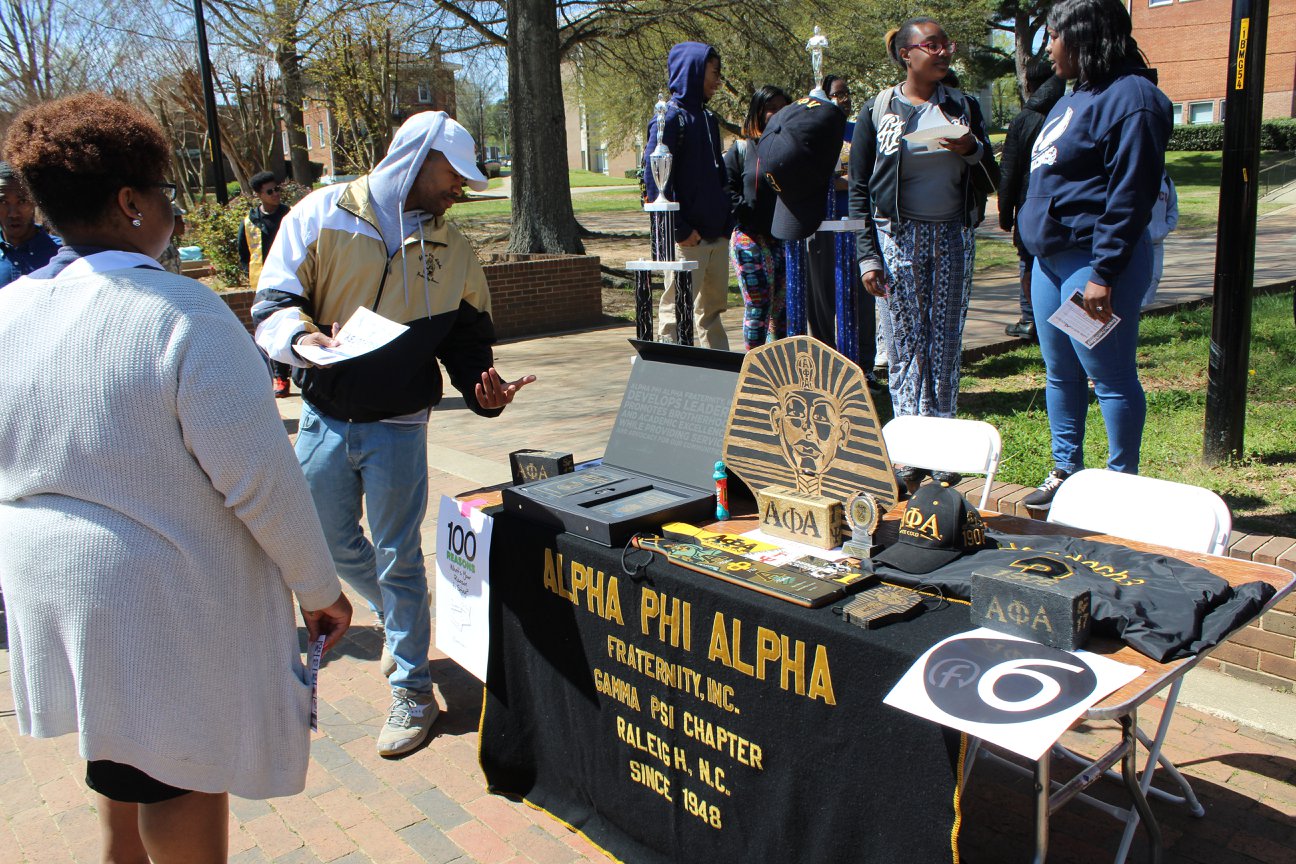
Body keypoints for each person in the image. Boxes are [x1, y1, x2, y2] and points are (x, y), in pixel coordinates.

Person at [0, 92, 352, 863]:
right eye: (166, 194)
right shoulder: (181, 313)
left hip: (52, 589)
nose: (174, 211)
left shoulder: (10, 311)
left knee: (119, 765)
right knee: (180, 783)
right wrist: (319, 589)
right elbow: (261, 481)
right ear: (131, 202)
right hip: (157, 603)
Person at [253, 110, 535, 757]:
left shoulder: (452, 248)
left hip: (400, 425)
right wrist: (303, 341)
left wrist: (484, 392)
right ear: (417, 158)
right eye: (454, 175)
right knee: (327, 539)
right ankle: (396, 611)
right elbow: (271, 307)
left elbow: (468, 344)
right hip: (324, 416)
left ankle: (412, 689)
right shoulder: (320, 215)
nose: (460, 190)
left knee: (398, 554)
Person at [1017, 0, 1172, 508]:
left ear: (1083, 36)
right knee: (1059, 372)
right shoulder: (1074, 97)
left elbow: (1130, 194)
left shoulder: (1134, 99)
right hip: (1051, 261)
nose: (1047, 49)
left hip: (1093, 263)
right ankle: (1066, 470)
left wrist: (1104, 272)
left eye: (1053, 36)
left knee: (1109, 377)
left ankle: (1120, 485)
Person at [848, 18, 995, 487]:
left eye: (946, 44)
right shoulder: (879, 109)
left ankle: (943, 446)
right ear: (906, 54)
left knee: (945, 342)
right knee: (905, 344)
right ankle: (911, 446)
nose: (943, 52)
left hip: (953, 237)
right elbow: (858, 189)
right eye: (931, 45)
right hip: (899, 238)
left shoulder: (963, 106)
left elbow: (991, 175)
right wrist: (868, 257)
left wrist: (972, 148)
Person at [643, 41, 733, 349]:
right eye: (714, 72)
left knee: (712, 313)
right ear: (693, 71)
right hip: (688, 240)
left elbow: (719, 173)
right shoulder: (669, 118)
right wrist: (679, 230)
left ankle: (719, 371)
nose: (718, 81)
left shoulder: (709, 119)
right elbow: (654, 180)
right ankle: (672, 368)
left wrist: (726, 221)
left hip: (717, 235)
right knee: (675, 312)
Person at [807, 75, 879, 386]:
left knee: (862, 297)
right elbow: (813, 177)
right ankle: (826, 369)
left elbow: (871, 174)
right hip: (823, 227)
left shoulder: (858, 130)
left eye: (846, 93)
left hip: (858, 223)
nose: (844, 99)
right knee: (822, 298)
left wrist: (848, 182)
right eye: (837, 94)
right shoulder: (813, 132)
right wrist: (844, 181)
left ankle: (864, 367)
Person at [998, 60, 1066, 340]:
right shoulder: (1070, 110)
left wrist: (1005, 215)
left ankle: (1031, 319)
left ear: (1028, 84)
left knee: (1028, 261)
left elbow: (1009, 172)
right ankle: (1055, 323)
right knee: (1059, 261)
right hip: (1064, 205)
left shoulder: (1023, 119)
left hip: (1030, 204)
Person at [723, 85, 789, 349]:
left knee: (782, 310)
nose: (776, 113)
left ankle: (778, 366)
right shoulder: (742, 149)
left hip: (782, 238)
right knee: (758, 305)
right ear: (758, 112)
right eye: (770, 108)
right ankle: (754, 365)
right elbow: (725, 188)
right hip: (748, 238)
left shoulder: (791, 150)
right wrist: (744, 212)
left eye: (782, 108)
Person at [240, 170, 295, 396]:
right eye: (270, 191)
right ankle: (280, 377)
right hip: (266, 284)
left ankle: (300, 373)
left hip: (293, 278)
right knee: (272, 328)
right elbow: (244, 254)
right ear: (259, 195)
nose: (276, 194)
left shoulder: (291, 215)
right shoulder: (250, 221)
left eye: (277, 189)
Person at [0, 160, 60, 287]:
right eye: (3, 202)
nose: (13, 214)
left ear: (35, 201)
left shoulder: (60, 253)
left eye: (22, 201)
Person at [1143, 172, 1179, 308]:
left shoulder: (1167, 181)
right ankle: (1139, 311)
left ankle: (1147, 309)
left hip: (1157, 241)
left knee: (1155, 277)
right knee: (1139, 278)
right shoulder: (1139, 176)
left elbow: (1172, 207)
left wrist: (1168, 226)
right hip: (1139, 241)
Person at [158, 202, 186, 274]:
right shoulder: (157, 249)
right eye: (179, 221)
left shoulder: (170, 244)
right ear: (170, 222)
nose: (183, 224)